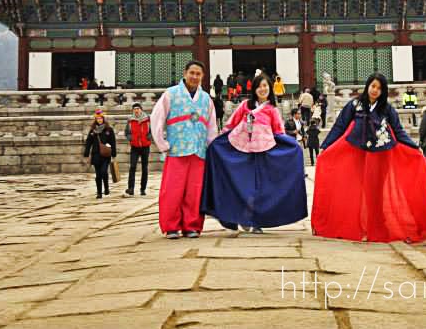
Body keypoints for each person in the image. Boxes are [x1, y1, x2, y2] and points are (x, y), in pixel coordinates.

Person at [312, 73, 426, 243]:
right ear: (368, 86)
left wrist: (414, 147)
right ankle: (358, 226)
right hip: (357, 153)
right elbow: (339, 127)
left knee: (376, 191)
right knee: (356, 189)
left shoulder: (386, 108)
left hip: (380, 155)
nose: (375, 90)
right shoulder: (354, 105)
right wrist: (326, 146)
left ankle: (377, 226)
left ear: (383, 91)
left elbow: (399, 131)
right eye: (373, 86)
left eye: (379, 88)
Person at [202, 73, 307, 233]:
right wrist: (219, 142)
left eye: (265, 86)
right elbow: (231, 125)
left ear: (270, 88)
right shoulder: (245, 105)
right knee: (244, 186)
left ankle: (257, 221)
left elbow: (279, 132)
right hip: (242, 152)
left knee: (261, 189)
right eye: (259, 86)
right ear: (254, 88)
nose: (262, 89)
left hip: (265, 153)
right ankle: (241, 216)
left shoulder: (272, 110)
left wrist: (292, 147)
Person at [150, 60, 217, 239]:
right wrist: (163, 144)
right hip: (177, 150)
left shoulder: (206, 99)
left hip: (199, 151)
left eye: (198, 74)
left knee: (194, 192)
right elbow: (157, 118)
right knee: (172, 190)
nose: (195, 77)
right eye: (192, 73)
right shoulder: (171, 94)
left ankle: (192, 225)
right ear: (185, 73)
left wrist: (211, 147)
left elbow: (211, 126)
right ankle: (171, 226)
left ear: (202, 77)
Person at [83, 108, 116, 199]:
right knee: (98, 175)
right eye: (98, 119)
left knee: (104, 172)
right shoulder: (93, 130)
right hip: (96, 155)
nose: (99, 120)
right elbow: (88, 142)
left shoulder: (109, 130)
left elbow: (113, 142)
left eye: (101, 118)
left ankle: (106, 188)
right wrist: (86, 153)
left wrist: (113, 154)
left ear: (103, 119)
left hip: (105, 155)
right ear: (96, 120)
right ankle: (99, 192)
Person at [124, 103, 151, 197]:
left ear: (141, 110)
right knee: (132, 167)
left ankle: (143, 189)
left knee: (144, 168)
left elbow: (153, 130)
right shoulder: (130, 120)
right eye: (134, 109)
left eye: (138, 108)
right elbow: (126, 132)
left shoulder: (148, 119)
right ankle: (130, 188)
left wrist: (149, 137)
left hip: (145, 146)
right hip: (135, 147)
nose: (136, 110)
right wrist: (130, 138)